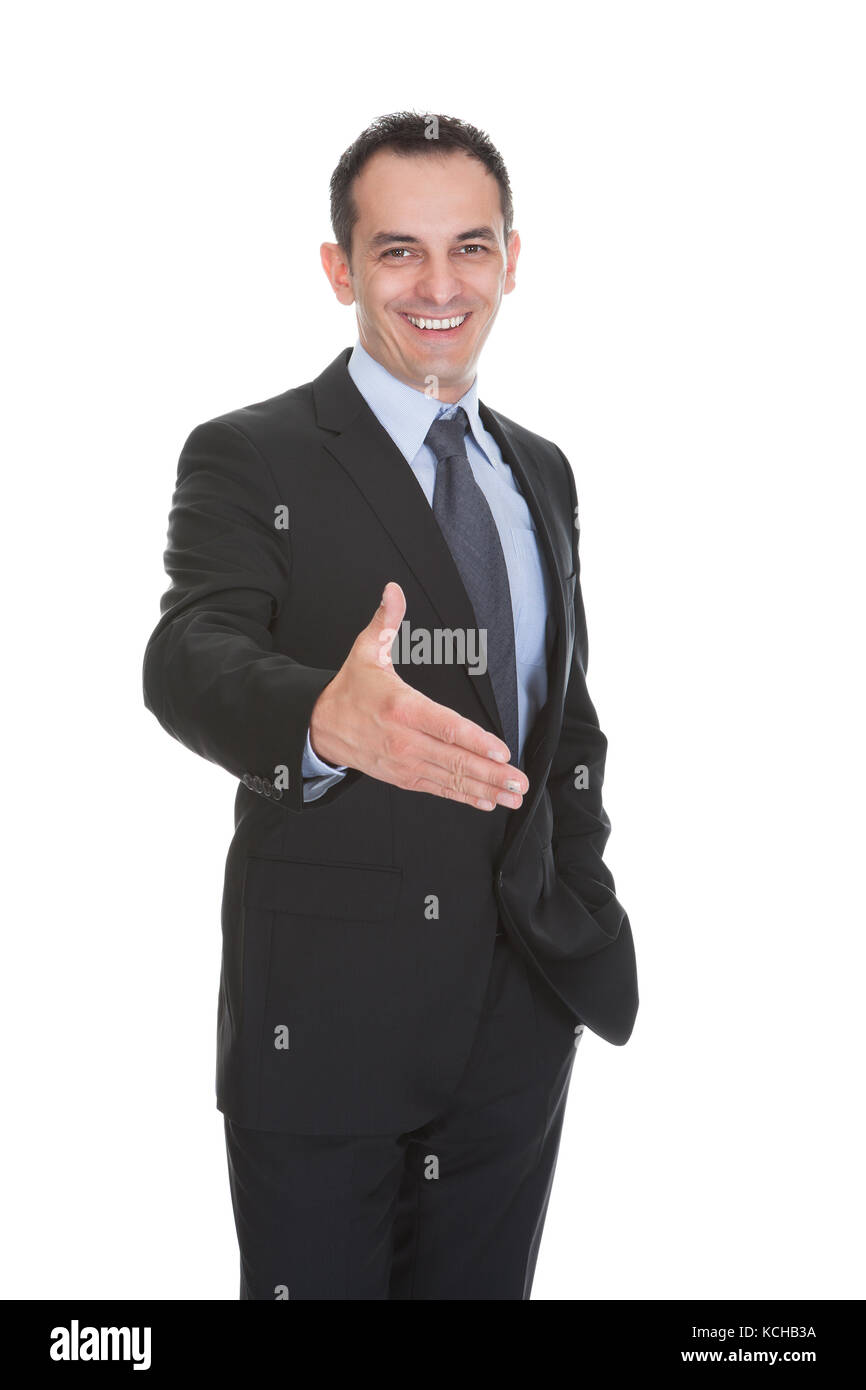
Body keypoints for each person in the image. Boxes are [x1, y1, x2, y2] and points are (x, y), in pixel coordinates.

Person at [142, 110, 638, 1300]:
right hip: (324, 1024)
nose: (438, 284)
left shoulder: (540, 468)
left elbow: (559, 709)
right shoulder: (252, 454)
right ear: (339, 268)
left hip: (517, 1017)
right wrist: (319, 718)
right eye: (397, 250)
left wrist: (580, 892)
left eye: (469, 247)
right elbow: (187, 649)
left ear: (511, 259)